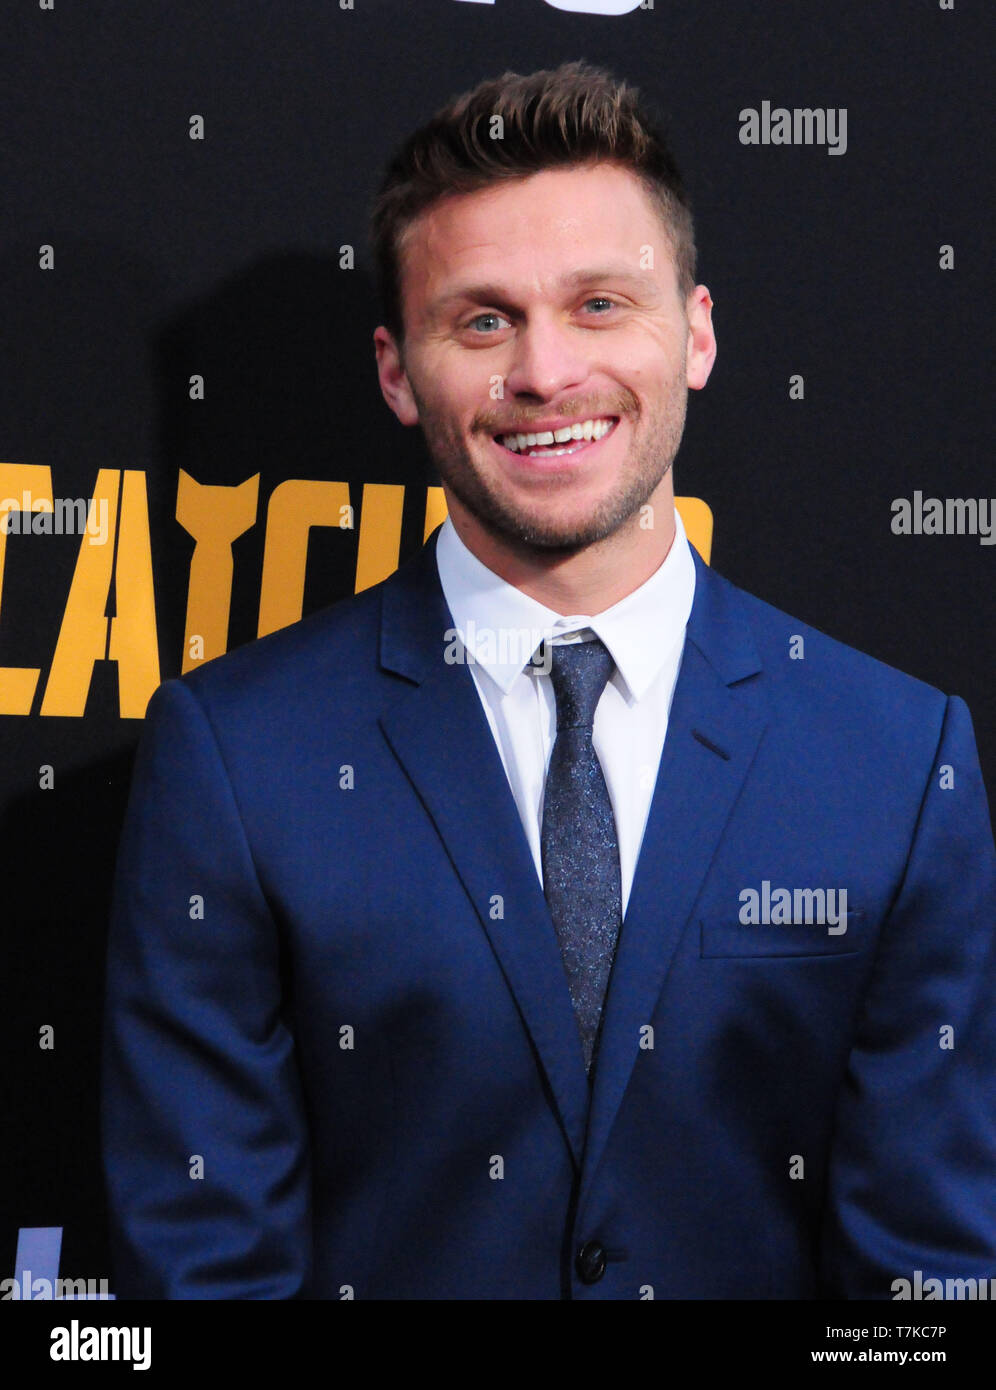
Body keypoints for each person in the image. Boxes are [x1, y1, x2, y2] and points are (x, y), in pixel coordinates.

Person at [102, 60, 996, 1300]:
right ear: (398, 370)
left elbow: (928, 1281)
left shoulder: (897, 760)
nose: (543, 373)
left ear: (695, 334)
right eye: (482, 320)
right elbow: (204, 1271)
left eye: (597, 305)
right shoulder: (240, 756)